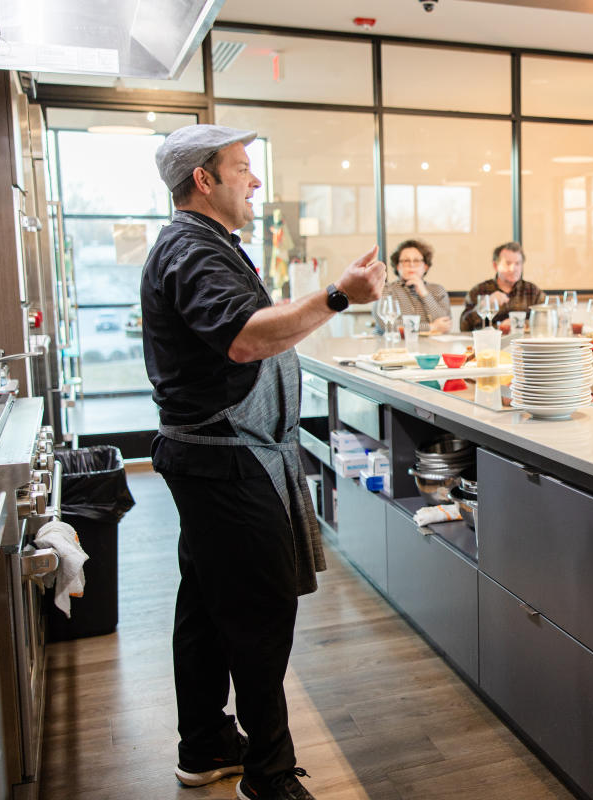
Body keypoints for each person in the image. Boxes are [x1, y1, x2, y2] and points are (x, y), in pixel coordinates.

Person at [141, 124, 385, 800]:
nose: (254, 181)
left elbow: (250, 330)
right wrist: (336, 298)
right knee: (258, 613)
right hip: (225, 462)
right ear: (203, 179)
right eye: (242, 168)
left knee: (206, 602)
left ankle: (206, 742)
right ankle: (271, 778)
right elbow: (245, 342)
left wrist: (320, 308)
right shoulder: (192, 249)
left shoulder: (209, 245)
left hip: (214, 458)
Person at [460, 241, 545, 331]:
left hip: (523, 343)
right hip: (489, 343)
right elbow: (463, 327)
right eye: (508, 264)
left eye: (517, 263)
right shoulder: (479, 290)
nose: (513, 269)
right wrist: (485, 304)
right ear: (495, 266)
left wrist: (517, 323)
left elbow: (546, 319)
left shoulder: (532, 290)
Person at [372, 239, 451, 334]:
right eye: (406, 261)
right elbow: (388, 325)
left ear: (425, 266)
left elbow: (445, 324)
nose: (411, 265)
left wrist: (424, 294)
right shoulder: (386, 289)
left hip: (431, 346)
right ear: (398, 266)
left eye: (417, 261)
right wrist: (431, 327)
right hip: (395, 346)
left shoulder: (438, 290)